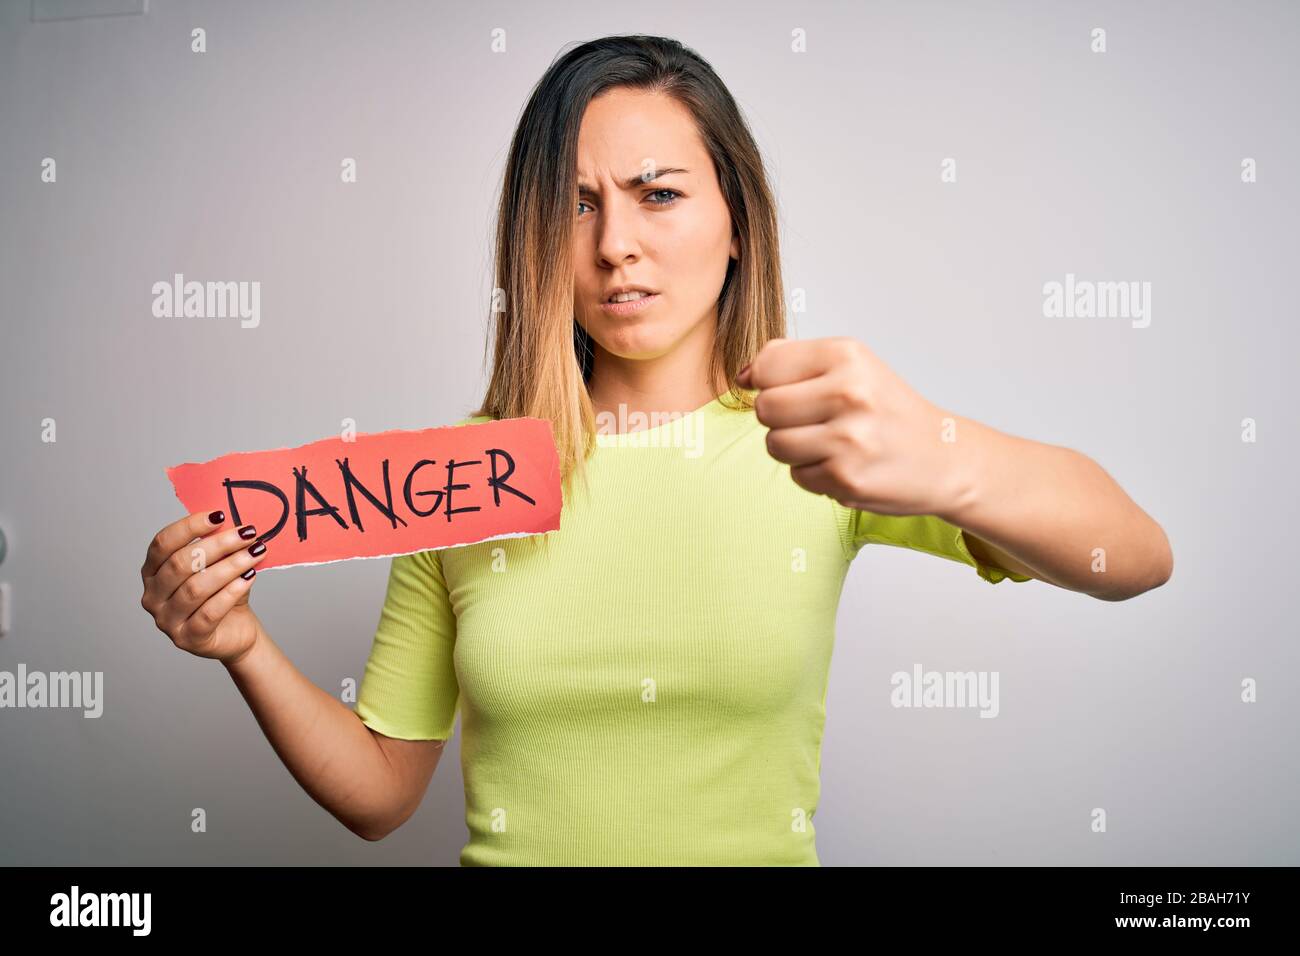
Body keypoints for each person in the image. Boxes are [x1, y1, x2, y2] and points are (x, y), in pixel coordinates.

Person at [139, 35, 1173, 866]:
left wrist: (945, 455)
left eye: (658, 193)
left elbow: (1132, 555)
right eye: (575, 203)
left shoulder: (818, 438)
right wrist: (242, 644)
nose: (613, 244)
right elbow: (379, 792)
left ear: (737, 221)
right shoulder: (465, 473)